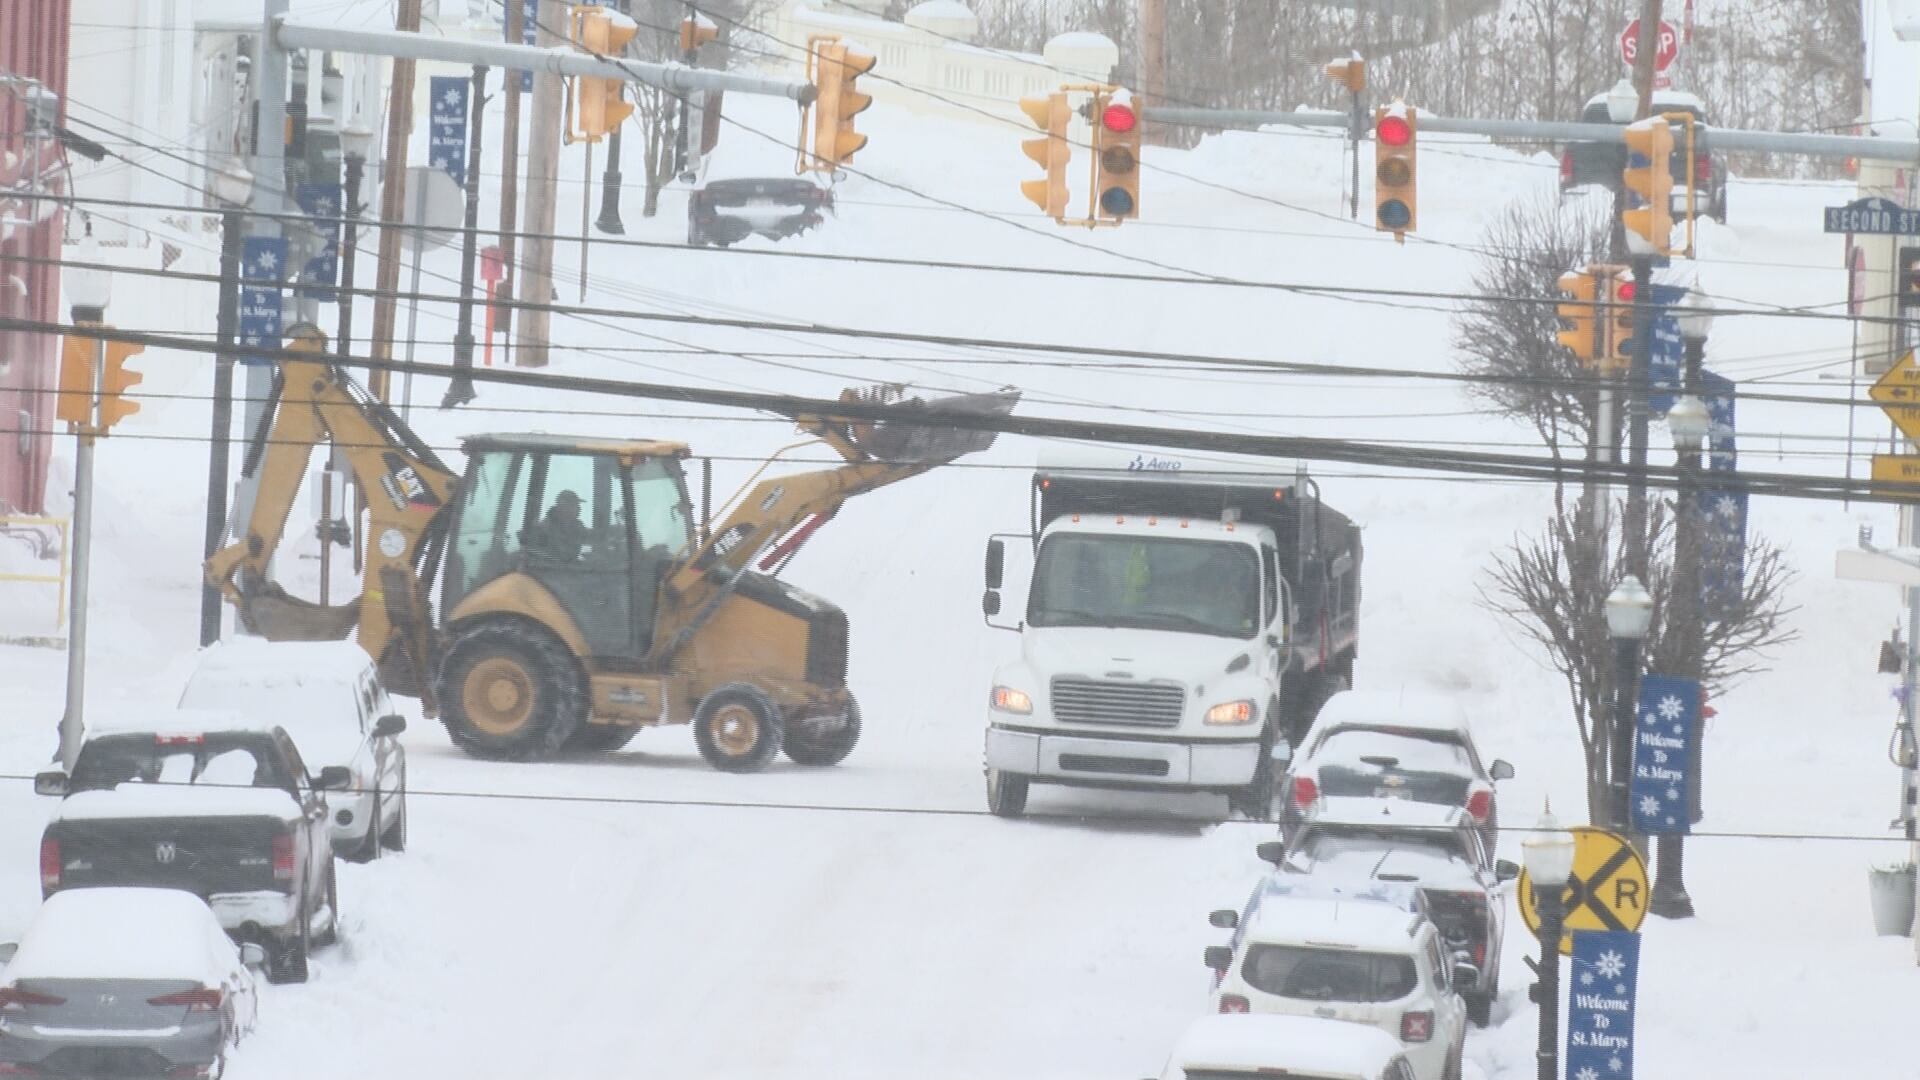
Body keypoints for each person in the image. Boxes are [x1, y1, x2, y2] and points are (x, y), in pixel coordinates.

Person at [525, 489, 591, 561]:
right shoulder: (545, 526)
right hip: (548, 567)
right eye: (574, 505)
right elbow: (535, 552)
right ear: (562, 506)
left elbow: (592, 538)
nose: (578, 509)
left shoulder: (578, 525)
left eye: (577, 506)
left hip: (570, 568)